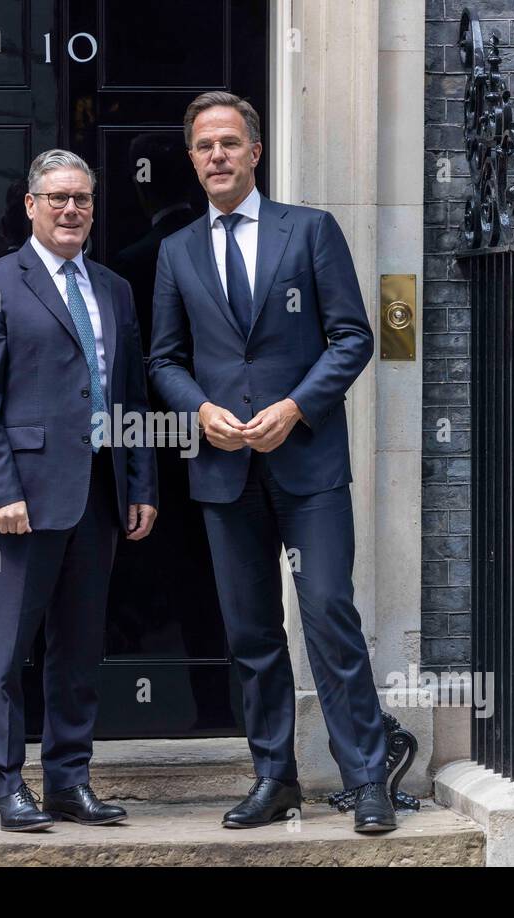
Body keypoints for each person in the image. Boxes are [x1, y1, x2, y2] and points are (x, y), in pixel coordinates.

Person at [148, 91, 396, 833]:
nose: (216, 156)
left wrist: (294, 407)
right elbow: (163, 359)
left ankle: (366, 779)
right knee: (251, 630)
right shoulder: (176, 250)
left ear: (255, 151)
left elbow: (353, 337)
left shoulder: (310, 231)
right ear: (192, 160)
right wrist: (198, 409)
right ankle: (273, 777)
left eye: (229, 142)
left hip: (309, 465)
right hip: (224, 471)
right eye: (203, 146)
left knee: (327, 612)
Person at [0, 149, 158, 831]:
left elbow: (130, 392)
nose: (72, 210)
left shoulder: (114, 287)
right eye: (58, 198)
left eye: (83, 199)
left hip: (98, 494)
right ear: (31, 206)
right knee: (6, 650)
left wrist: (139, 481)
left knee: (79, 646)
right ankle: (5, 788)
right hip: (22, 498)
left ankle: (69, 779)